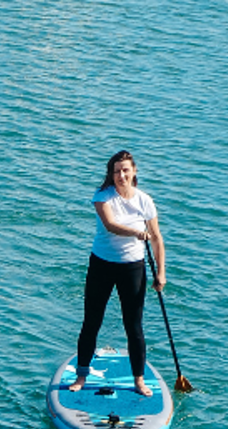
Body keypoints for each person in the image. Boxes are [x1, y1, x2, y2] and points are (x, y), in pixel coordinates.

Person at [68, 150, 166, 397]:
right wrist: (135, 232)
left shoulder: (145, 201)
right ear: (111, 175)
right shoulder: (103, 196)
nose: (121, 175)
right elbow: (110, 225)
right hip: (102, 264)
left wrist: (161, 272)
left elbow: (156, 239)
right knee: (92, 321)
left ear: (134, 172)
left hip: (133, 268)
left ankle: (139, 380)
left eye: (125, 170)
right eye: (116, 171)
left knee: (134, 326)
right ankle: (81, 375)